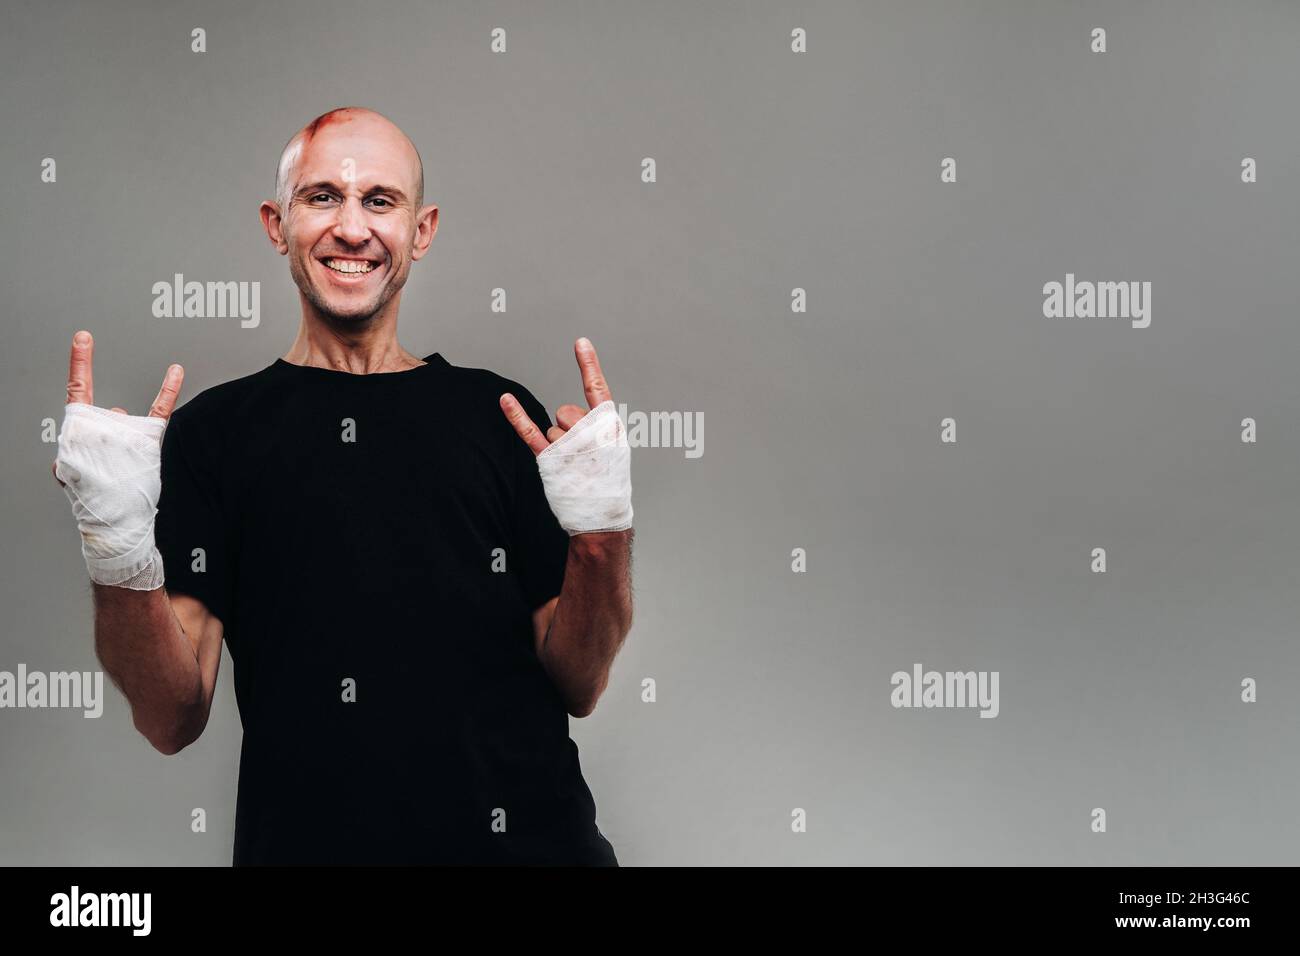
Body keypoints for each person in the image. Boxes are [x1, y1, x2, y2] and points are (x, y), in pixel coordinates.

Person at [52, 107, 635, 865]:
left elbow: (580, 684)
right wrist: (116, 551)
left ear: (421, 232)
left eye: (380, 201)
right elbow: (171, 717)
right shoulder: (211, 436)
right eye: (322, 197)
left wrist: (605, 533)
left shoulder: (502, 416)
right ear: (277, 222)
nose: (352, 228)